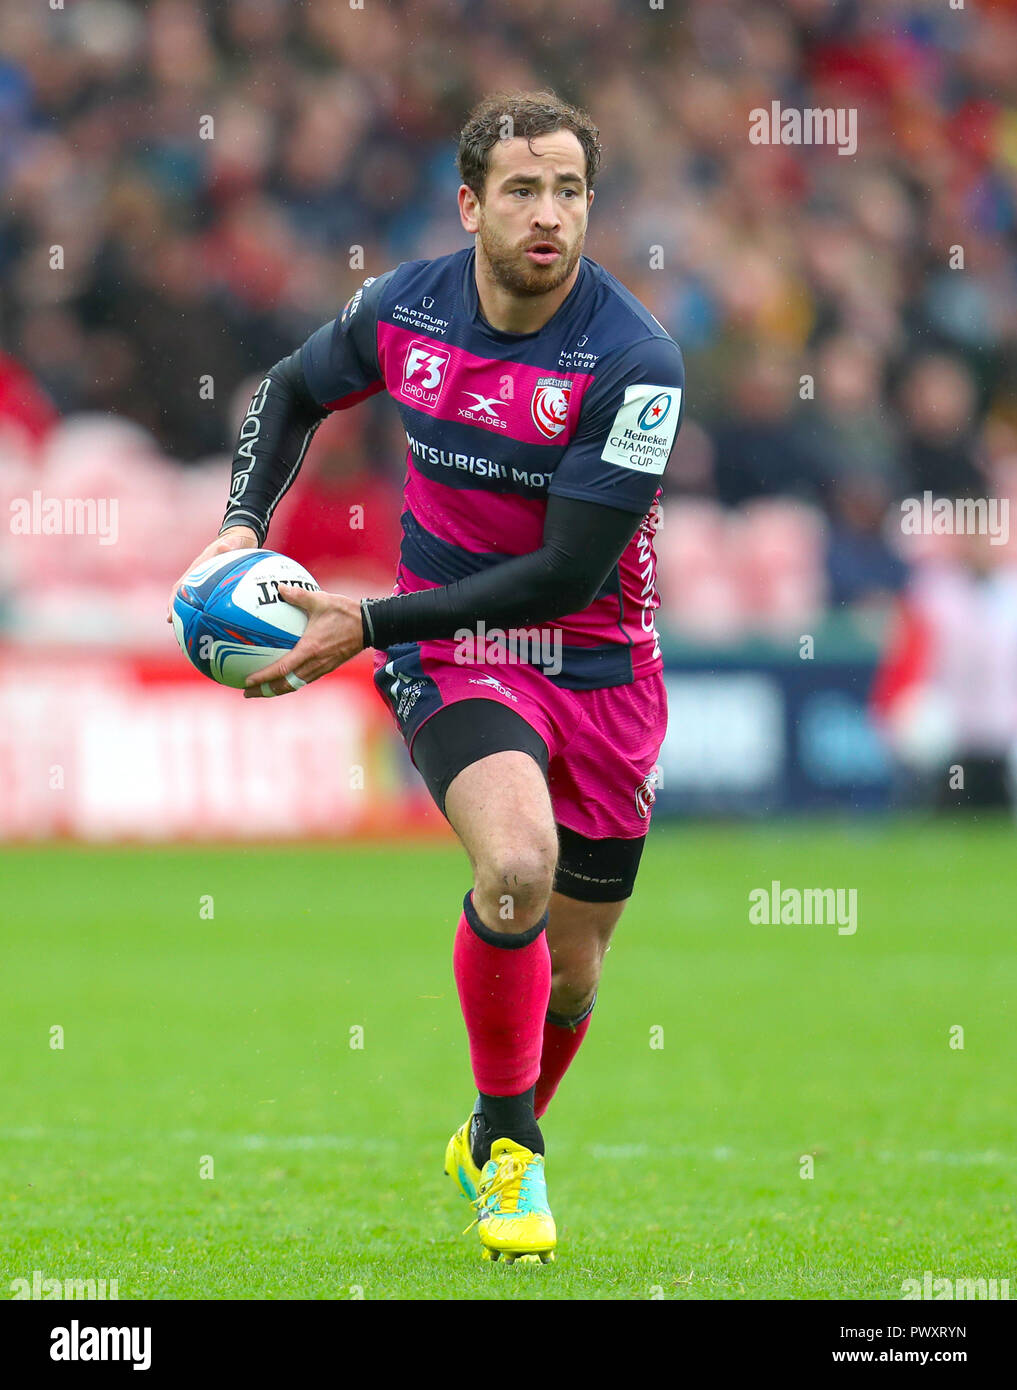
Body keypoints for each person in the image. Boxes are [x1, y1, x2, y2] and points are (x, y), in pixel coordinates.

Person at [170, 91, 684, 1264]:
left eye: (569, 191)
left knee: (577, 962)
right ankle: (513, 1150)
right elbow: (291, 390)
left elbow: (565, 573)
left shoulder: (636, 360)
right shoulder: (407, 307)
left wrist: (364, 617)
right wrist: (245, 521)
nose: (548, 214)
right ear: (471, 204)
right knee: (515, 867)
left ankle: (491, 1126)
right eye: (522, 189)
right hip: (451, 647)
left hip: (599, 663)